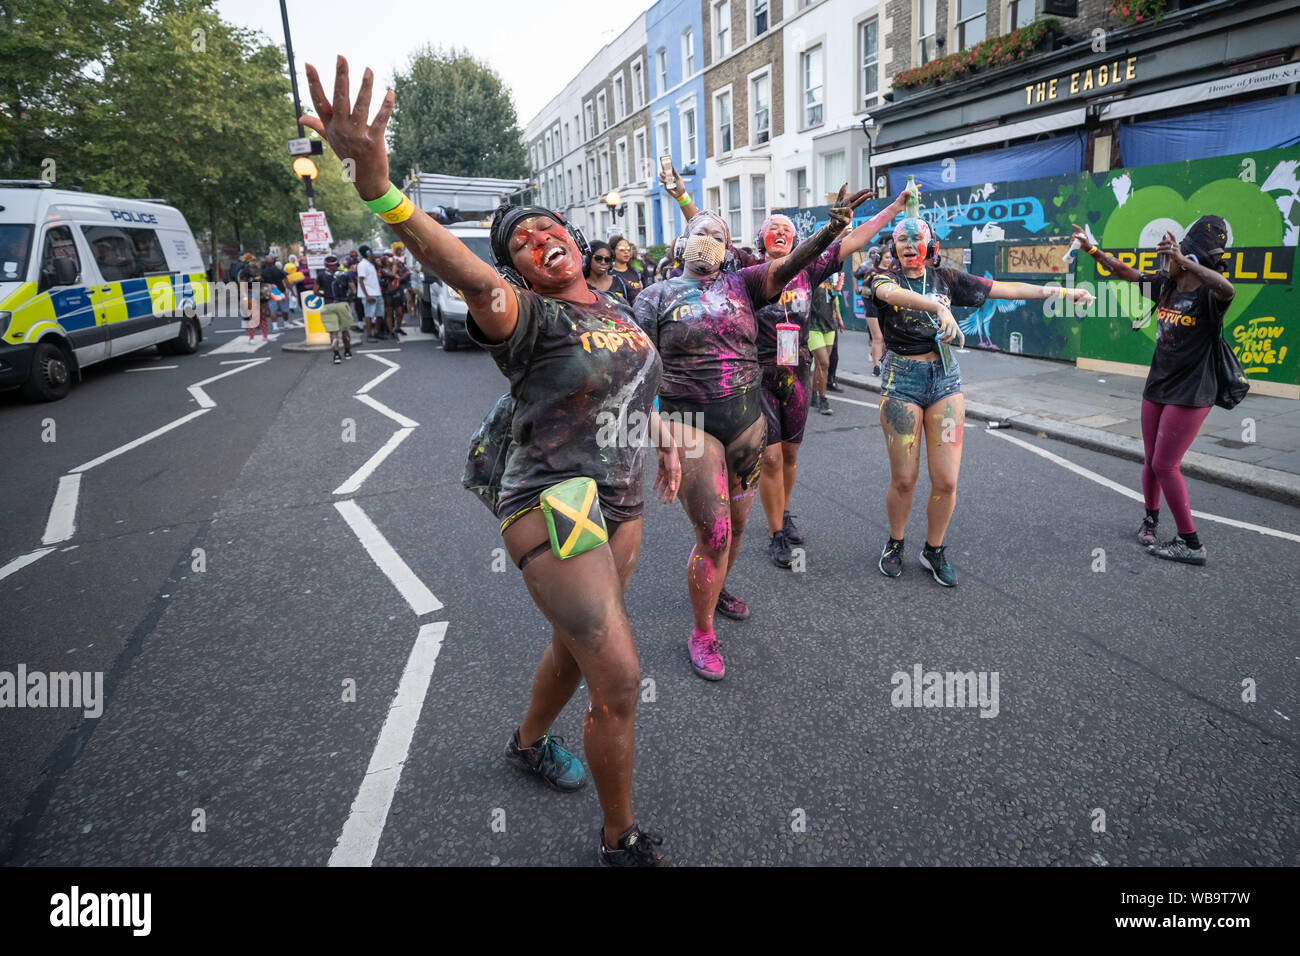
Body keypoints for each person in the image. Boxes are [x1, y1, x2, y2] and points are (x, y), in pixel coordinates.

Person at [302, 56, 683, 866]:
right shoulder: (526, 314)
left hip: (624, 499)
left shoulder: (615, 307)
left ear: (575, 241)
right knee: (616, 676)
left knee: (572, 649)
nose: (539, 238)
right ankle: (622, 841)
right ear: (513, 269)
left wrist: (669, 441)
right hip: (558, 497)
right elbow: (469, 276)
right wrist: (381, 191)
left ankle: (526, 742)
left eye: (549, 227)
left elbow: (638, 384)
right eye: (520, 242)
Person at [634, 187, 870, 677]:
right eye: (701, 230)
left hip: (745, 421)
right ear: (683, 241)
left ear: (728, 248)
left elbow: (791, 267)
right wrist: (660, 439)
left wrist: (831, 229)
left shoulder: (744, 283)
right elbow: (639, 375)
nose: (710, 238)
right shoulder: (653, 298)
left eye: (720, 234)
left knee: (738, 528)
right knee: (715, 532)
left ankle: (716, 589)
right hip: (690, 424)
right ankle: (702, 632)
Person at [870, 216, 1095, 586]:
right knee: (905, 479)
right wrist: (938, 308)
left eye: (917, 239)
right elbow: (890, 296)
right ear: (894, 247)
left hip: (944, 383)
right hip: (901, 384)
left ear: (931, 246)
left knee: (946, 481)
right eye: (902, 240)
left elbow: (1006, 289)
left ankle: (934, 549)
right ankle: (895, 543)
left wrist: (1064, 293)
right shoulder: (884, 279)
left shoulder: (947, 279)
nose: (909, 245)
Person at [752, 192, 911, 569]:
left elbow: (854, 240)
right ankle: (776, 534)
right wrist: (680, 196)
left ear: (796, 240)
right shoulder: (747, 269)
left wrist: (895, 208)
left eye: (786, 228)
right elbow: (712, 240)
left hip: (797, 370)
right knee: (770, 458)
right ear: (762, 239)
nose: (779, 232)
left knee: (790, 454)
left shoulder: (809, 269)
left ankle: (785, 512)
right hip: (758, 372)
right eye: (772, 228)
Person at [1070, 217, 1234, 565]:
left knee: (1165, 464)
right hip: (1158, 384)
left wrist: (1184, 259)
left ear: (1191, 257)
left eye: (1172, 256)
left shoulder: (1210, 294)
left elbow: (1227, 289)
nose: (1165, 261)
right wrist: (1092, 249)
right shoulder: (1166, 286)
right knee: (1152, 460)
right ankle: (1150, 519)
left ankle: (1190, 542)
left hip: (1191, 391)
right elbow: (1126, 272)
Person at [808, 270, 844, 415]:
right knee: (824, 363)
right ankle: (823, 399)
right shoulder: (811, 274)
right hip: (813, 325)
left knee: (820, 364)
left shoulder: (833, 276)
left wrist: (839, 318)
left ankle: (813, 393)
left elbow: (835, 297)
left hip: (829, 324)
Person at [316, 253, 353, 363]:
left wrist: (325, 296)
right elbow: (353, 289)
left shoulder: (321, 275)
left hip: (328, 305)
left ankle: (336, 355)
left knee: (333, 332)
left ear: (326, 265)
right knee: (345, 330)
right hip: (342, 304)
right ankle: (347, 351)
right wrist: (347, 297)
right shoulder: (345, 274)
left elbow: (315, 291)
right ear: (337, 264)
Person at [356, 245, 384, 340]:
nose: (373, 254)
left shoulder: (370, 264)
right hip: (369, 294)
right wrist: (367, 296)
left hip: (377, 293)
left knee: (380, 314)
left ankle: (376, 332)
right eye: (371, 252)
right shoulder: (362, 265)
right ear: (367, 253)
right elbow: (361, 280)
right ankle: (369, 335)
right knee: (369, 315)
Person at [607, 235, 645, 304]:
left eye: (628, 249)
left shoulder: (636, 272)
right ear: (613, 251)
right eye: (622, 250)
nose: (626, 252)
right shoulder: (609, 274)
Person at [240, 258, 270, 342]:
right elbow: (242, 286)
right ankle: (252, 338)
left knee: (263, 317)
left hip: (262, 297)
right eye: (252, 262)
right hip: (251, 297)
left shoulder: (259, 272)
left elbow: (264, 283)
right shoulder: (244, 273)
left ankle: (265, 336)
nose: (255, 263)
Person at [261, 255, 290, 332]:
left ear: (265, 263)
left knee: (273, 309)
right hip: (280, 291)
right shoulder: (279, 271)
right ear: (274, 262)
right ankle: (286, 324)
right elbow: (286, 281)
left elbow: (262, 284)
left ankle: (275, 326)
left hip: (271, 291)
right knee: (284, 308)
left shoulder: (263, 272)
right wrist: (292, 291)